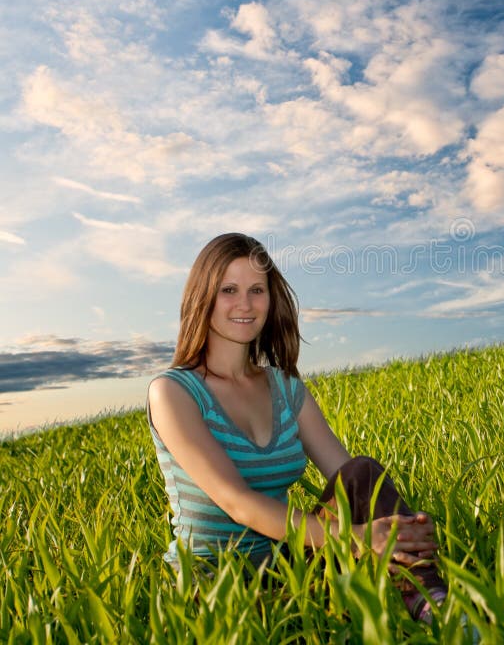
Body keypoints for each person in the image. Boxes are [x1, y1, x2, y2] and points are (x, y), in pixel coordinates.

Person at [147, 232, 448, 624]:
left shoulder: (285, 388)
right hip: (215, 583)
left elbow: (354, 486)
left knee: (363, 473)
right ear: (202, 297)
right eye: (228, 290)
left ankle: (433, 602)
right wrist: (358, 537)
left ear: (272, 300)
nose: (245, 304)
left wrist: (396, 524)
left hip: (284, 563)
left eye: (257, 289)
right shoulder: (173, 392)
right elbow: (237, 503)